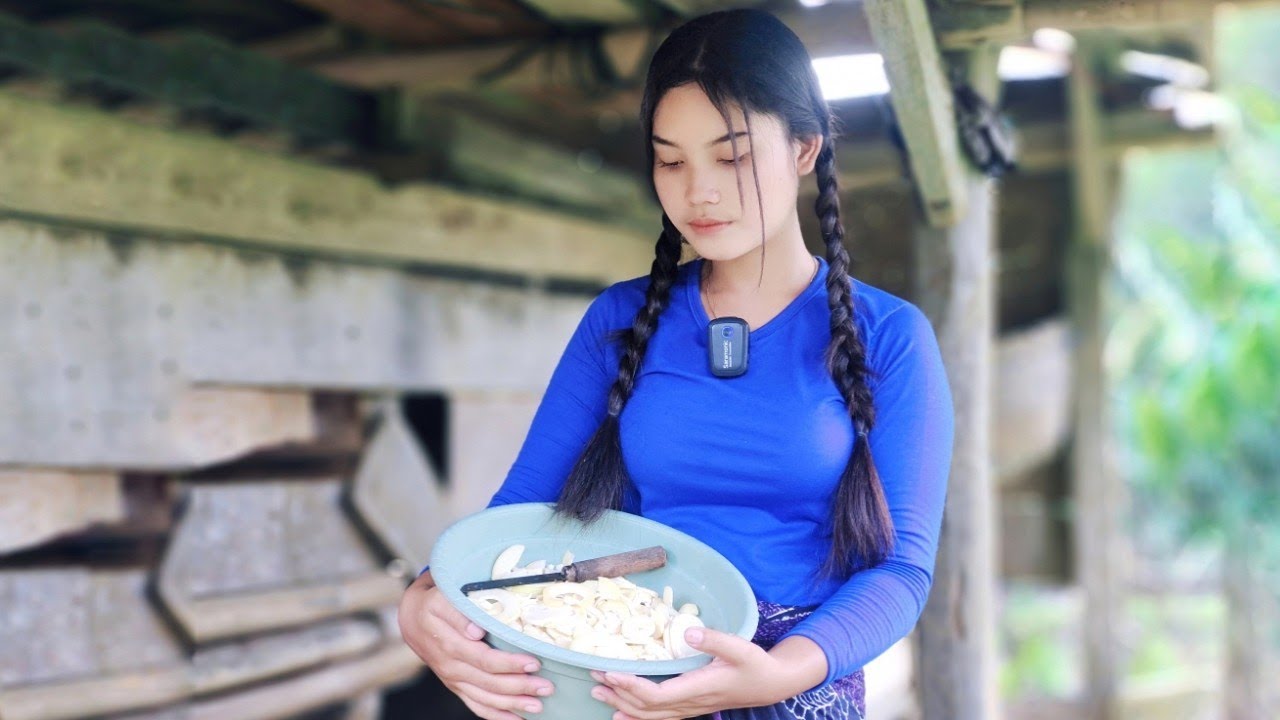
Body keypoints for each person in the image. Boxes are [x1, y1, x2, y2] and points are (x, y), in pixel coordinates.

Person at [397, 8, 954, 720]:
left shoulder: (891, 337)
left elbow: (901, 571)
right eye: (671, 160)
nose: (700, 191)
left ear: (805, 147)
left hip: (793, 687)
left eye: (732, 156)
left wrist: (777, 674)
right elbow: (522, 508)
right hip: (620, 673)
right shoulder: (619, 320)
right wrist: (423, 600)